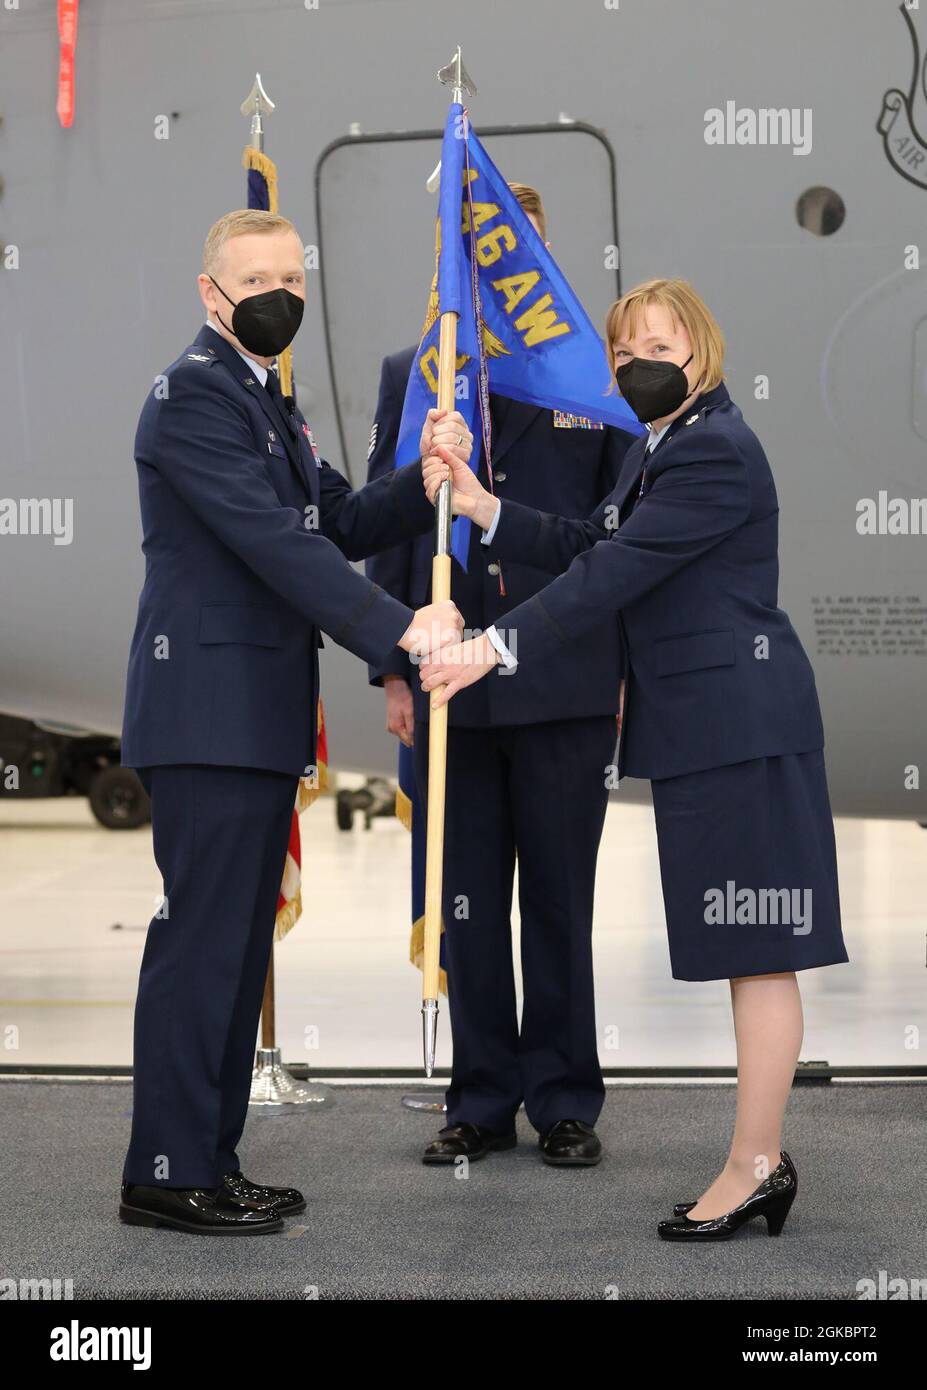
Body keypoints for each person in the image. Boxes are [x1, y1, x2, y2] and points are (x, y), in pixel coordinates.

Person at [420, 278, 848, 1240]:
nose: (635, 362)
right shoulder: (667, 447)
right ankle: (757, 1160)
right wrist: (486, 504)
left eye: (656, 344)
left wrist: (490, 647)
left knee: (761, 952)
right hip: (715, 733)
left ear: (701, 350)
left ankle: (754, 1166)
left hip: (743, 731)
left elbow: (609, 576)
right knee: (748, 951)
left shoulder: (711, 454)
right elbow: (587, 541)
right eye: (621, 352)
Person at [119, 208, 471, 1236]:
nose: (280, 293)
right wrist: (404, 630)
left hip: (254, 718)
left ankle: (208, 1160)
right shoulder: (192, 399)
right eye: (256, 278)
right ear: (210, 294)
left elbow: (338, 518)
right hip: (208, 715)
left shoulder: (266, 399)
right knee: (201, 946)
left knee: (232, 950)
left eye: (291, 276)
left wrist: (425, 483)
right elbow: (280, 547)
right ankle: (167, 1168)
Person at [366, 183, 638, 1167]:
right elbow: (389, 530)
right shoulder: (415, 376)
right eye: (468, 255)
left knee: (560, 901)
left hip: (562, 683)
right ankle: (480, 1096)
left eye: (505, 253)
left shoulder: (590, 384)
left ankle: (567, 1097)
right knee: (469, 901)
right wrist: (389, 670)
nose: (486, 273)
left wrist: (620, 670)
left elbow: (619, 540)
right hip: (449, 685)